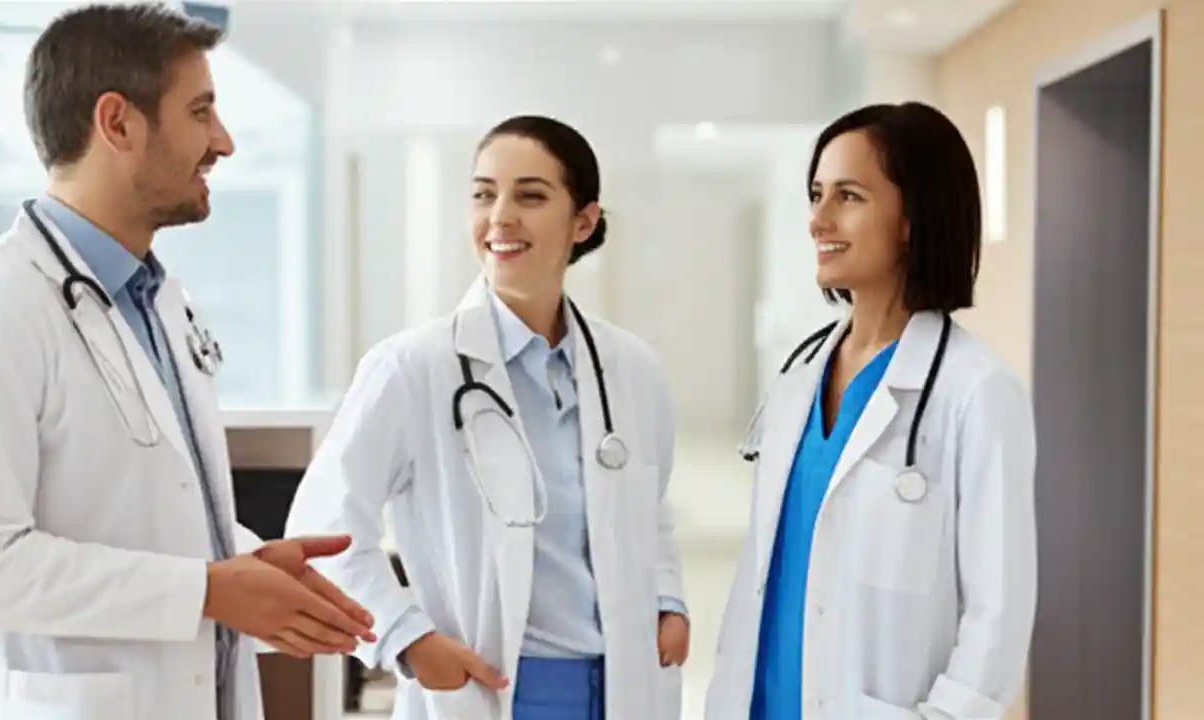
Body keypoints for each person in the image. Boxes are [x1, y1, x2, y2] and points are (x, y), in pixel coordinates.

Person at [0, 5, 374, 719]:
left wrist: (239, 563)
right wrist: (207, 590)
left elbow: (143, 512)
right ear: (118, 123)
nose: (223, 141)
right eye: (200, 112)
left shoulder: (159, 301)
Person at [285, 115, 689, 719]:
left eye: (530, 196)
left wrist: (668, 600)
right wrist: (409, 639)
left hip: (621, 684)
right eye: (483, 194)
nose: (500, 216)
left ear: (583, 222)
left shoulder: (632, 370)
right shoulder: (410, 368)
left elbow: (649, 512)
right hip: (487, 683)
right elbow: (324, 530)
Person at [705, 102, 1037, 719]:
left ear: (913, 217)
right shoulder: (800, 377)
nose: (818, 220)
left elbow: (999, 613)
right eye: (816, 195)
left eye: (848, 196)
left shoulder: (976, 391)